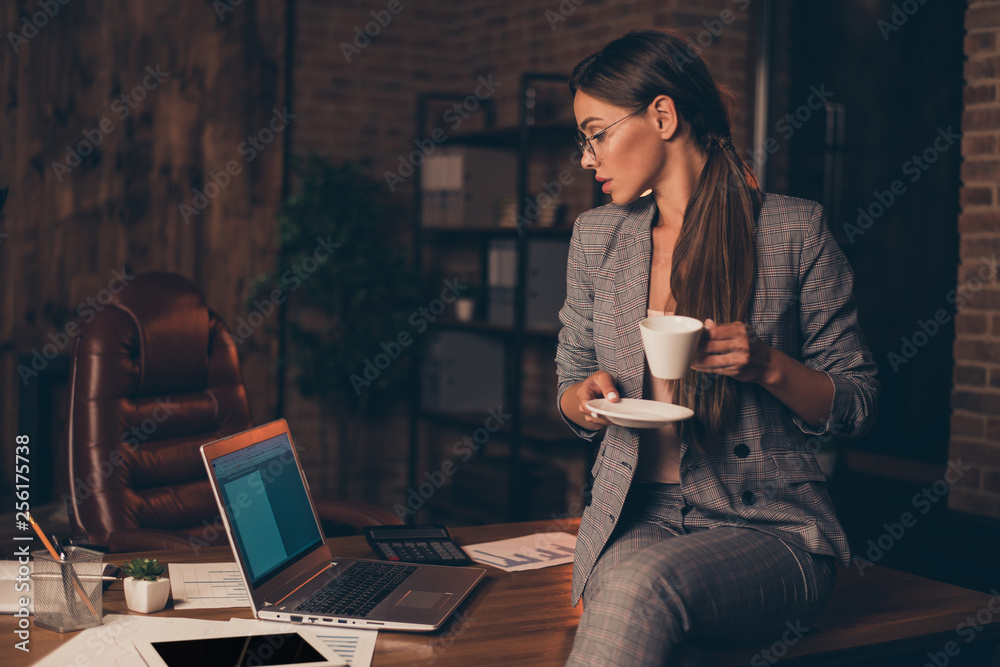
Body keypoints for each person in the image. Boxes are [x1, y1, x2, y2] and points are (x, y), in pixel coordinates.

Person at [555, 29, 879, 666]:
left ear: (663, 116)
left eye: (596, 134)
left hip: (771, 528)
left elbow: (858, 404)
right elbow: (569, 382)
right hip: (638, 515)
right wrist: (584, 399)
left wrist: (768, 366)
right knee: (637, 607)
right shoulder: (596, 238)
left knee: (639, 589)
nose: (588, 159)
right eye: (583, 141)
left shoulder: (793, 231)